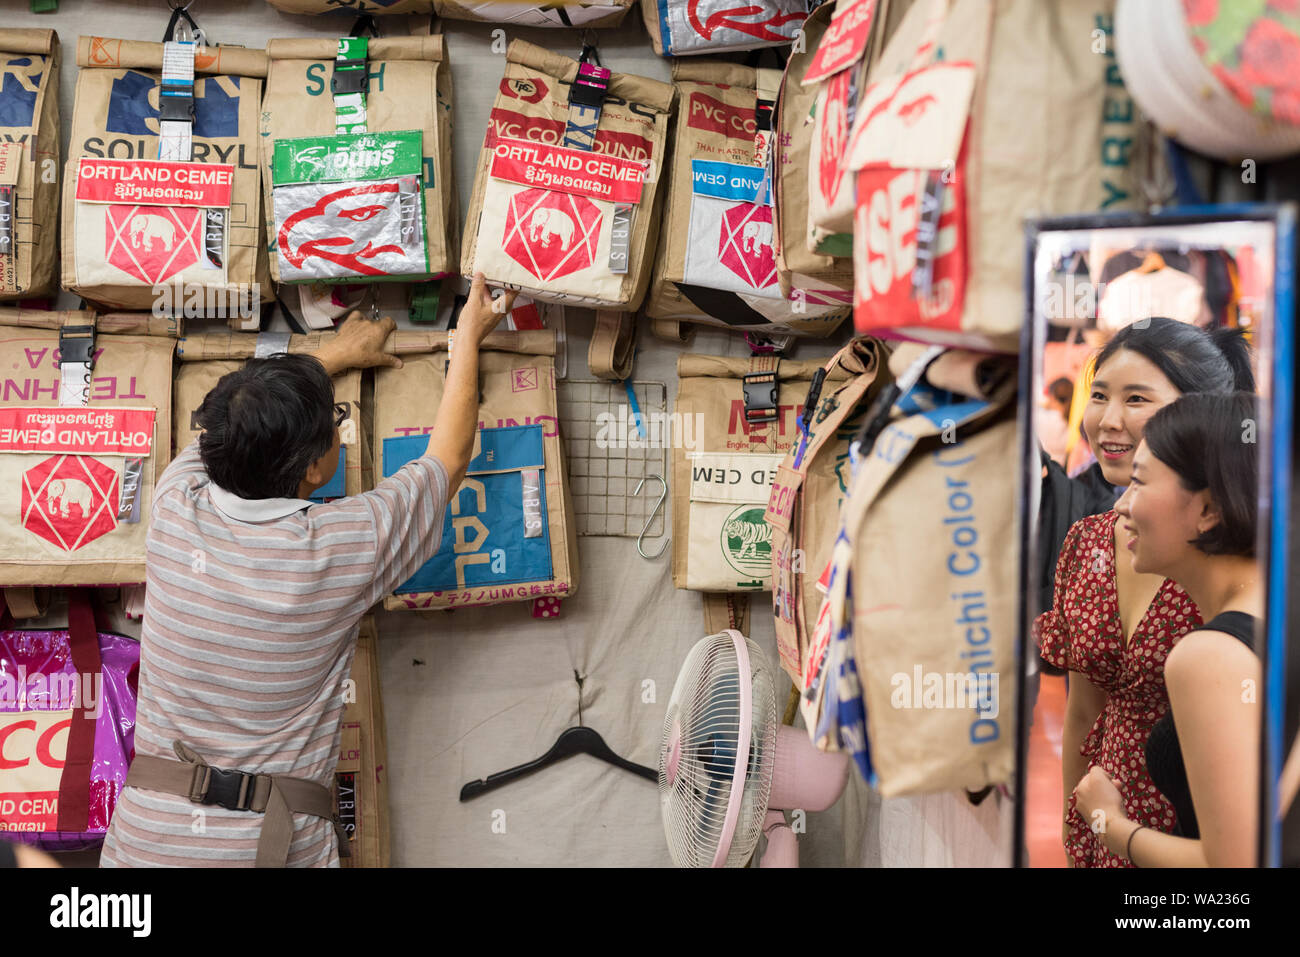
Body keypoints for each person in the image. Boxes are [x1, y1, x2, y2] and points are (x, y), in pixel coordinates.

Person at [100, 273, 515, 867]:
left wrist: (334, 355)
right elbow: (447, 460)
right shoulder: (336, 547)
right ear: (315, 468)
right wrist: (467, 333)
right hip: (268, 850)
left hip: (144, 843)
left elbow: (235, 422)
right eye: (335, 424)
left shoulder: (175, 503)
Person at [1034, 317, 1253, 867]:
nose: (1109, 420)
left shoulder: (1232, 559)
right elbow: (1083, 713)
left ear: (1197, 417)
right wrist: (1078, 832)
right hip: (1102, 821)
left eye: (1137, 399)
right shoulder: (1087, 543)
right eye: (1099, 395)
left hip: (1193, 836)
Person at [1074, 392, 1261, 867]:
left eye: (1138, 483)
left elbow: (1234, 865)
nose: (1122, 505)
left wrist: (1108, 824)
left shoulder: (1210, 656)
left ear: (1209, 509)